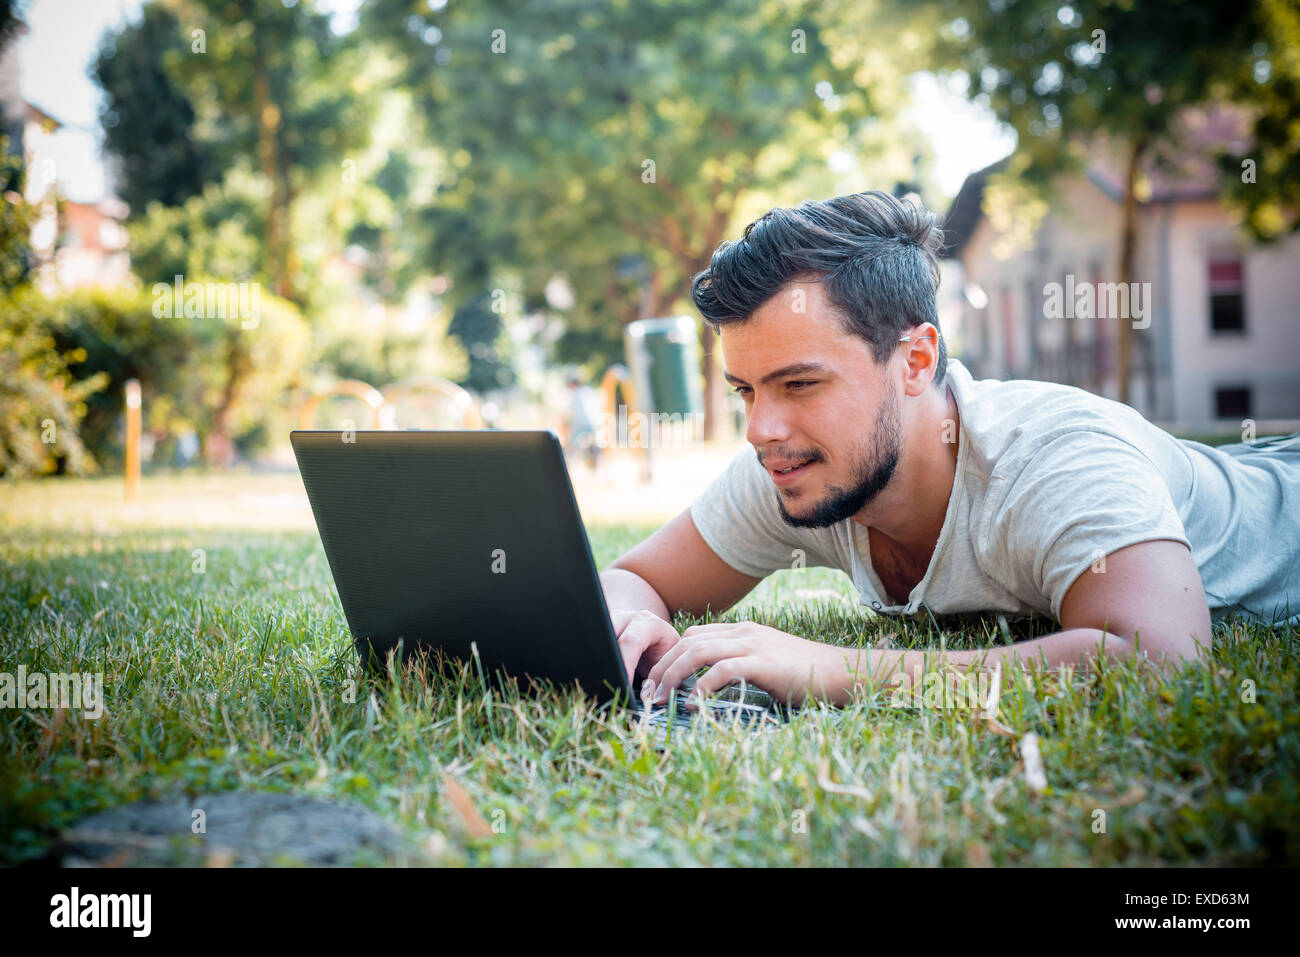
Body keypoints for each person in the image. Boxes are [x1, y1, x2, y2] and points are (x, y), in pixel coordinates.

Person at [599, 190, 1300, 709]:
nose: (761, 428)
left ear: (914, 361)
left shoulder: (1053, 453)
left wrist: (834, 668)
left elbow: (1164, 662)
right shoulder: (799, 462)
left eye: (800, 383)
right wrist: (636, 629)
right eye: (747, 390)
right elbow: (634, 578)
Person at [564, 374, 602, 473]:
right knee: (592, 444)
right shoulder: (588, 391)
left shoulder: (576, 394)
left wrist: (569, 424)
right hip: (594, 423)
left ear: (572, 384)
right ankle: (593, 465)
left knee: (573, 444)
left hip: (582, 424)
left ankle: (569, 464)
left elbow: (576, 413)